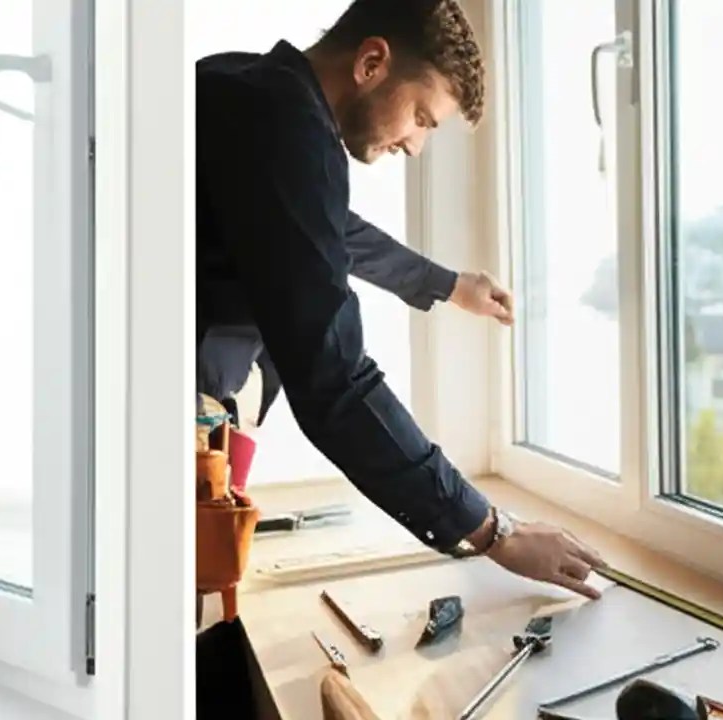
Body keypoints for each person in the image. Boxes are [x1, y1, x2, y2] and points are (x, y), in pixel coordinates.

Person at [195, 0, 607, 596]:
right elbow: (334, 380)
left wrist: (446, 284)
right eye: (421, 116)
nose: (414, 145)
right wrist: (494, 530)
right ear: (371, 62)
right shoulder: (288, 131)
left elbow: (323, 226)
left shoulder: (237, 83)